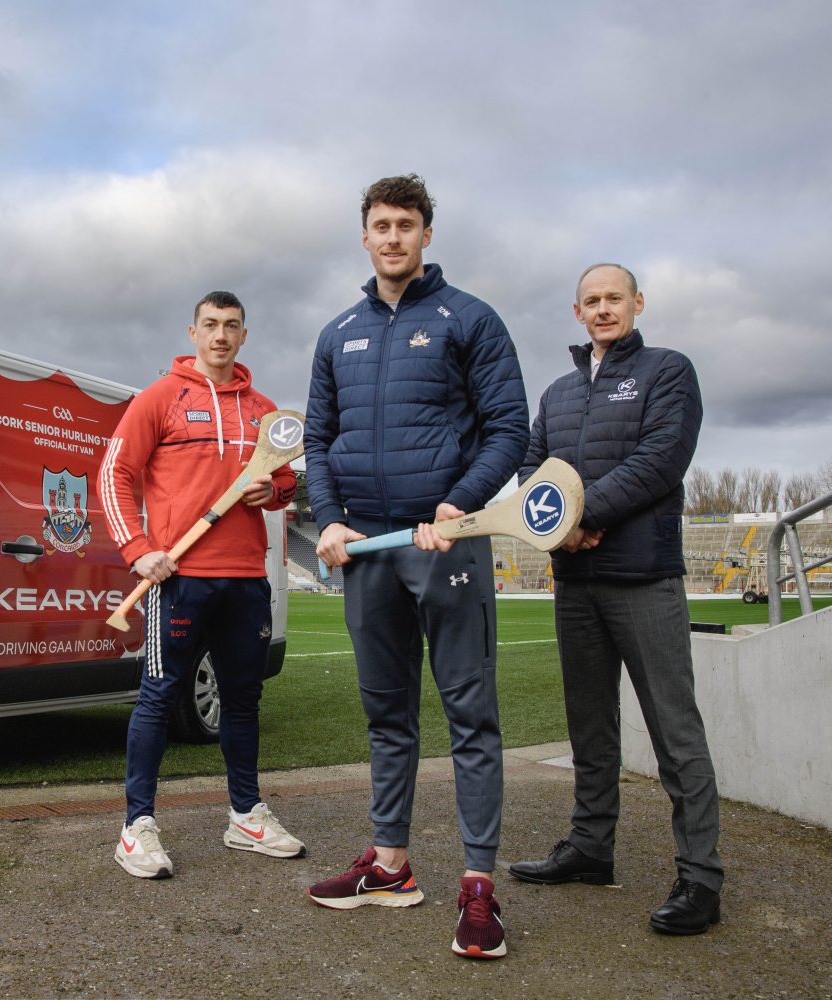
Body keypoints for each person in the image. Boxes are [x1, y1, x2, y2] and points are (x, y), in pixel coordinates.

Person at [304, 175, 529, 959]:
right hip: (366, 550)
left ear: (427, 235)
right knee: (386, 714)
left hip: (446, 542)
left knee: (470, 713)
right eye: (380, 225)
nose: (393, 237)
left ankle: (477, 887)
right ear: (363, 236)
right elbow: (317, 441)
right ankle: (391, 865)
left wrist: (456, 505)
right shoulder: (337, 333)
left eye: (406, 224)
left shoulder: (469, 318)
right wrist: (328, 519)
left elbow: (509, 428)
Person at [511, 263, 723, 935]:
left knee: (674, 732)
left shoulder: (667, 371)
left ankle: (700, 877)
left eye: (614, 299)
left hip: (644, 578)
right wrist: (555, 526)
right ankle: (590, 847)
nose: (604, 310)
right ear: (578, 313)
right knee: (590, 726)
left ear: (637, 303)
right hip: (576, 582)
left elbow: (662, 459)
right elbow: (532, 467)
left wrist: (581, 513)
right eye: (592, 301)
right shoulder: (559, 392)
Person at [100, 290, 303, 879]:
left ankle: (246, 816)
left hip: (245, 579)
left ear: (244, 335)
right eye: (210, 325)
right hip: (180, 576)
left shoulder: (263, 409)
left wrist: (276, 492)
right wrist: (139, 551)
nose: (220, 335)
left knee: (243, 700)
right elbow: (114, 472)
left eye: (231, 326)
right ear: (193, 333)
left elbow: (285, 480)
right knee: (159, 698)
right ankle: (136, 828)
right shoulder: (159, 398)